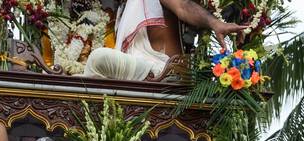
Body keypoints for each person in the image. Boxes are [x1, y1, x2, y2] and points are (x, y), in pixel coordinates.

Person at [83, 0, 247, 81]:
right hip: (133, 73)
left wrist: (215, 23)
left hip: (162, 71)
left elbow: (183, 6)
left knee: (98, 58)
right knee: (82, 78)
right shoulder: (123, 9)